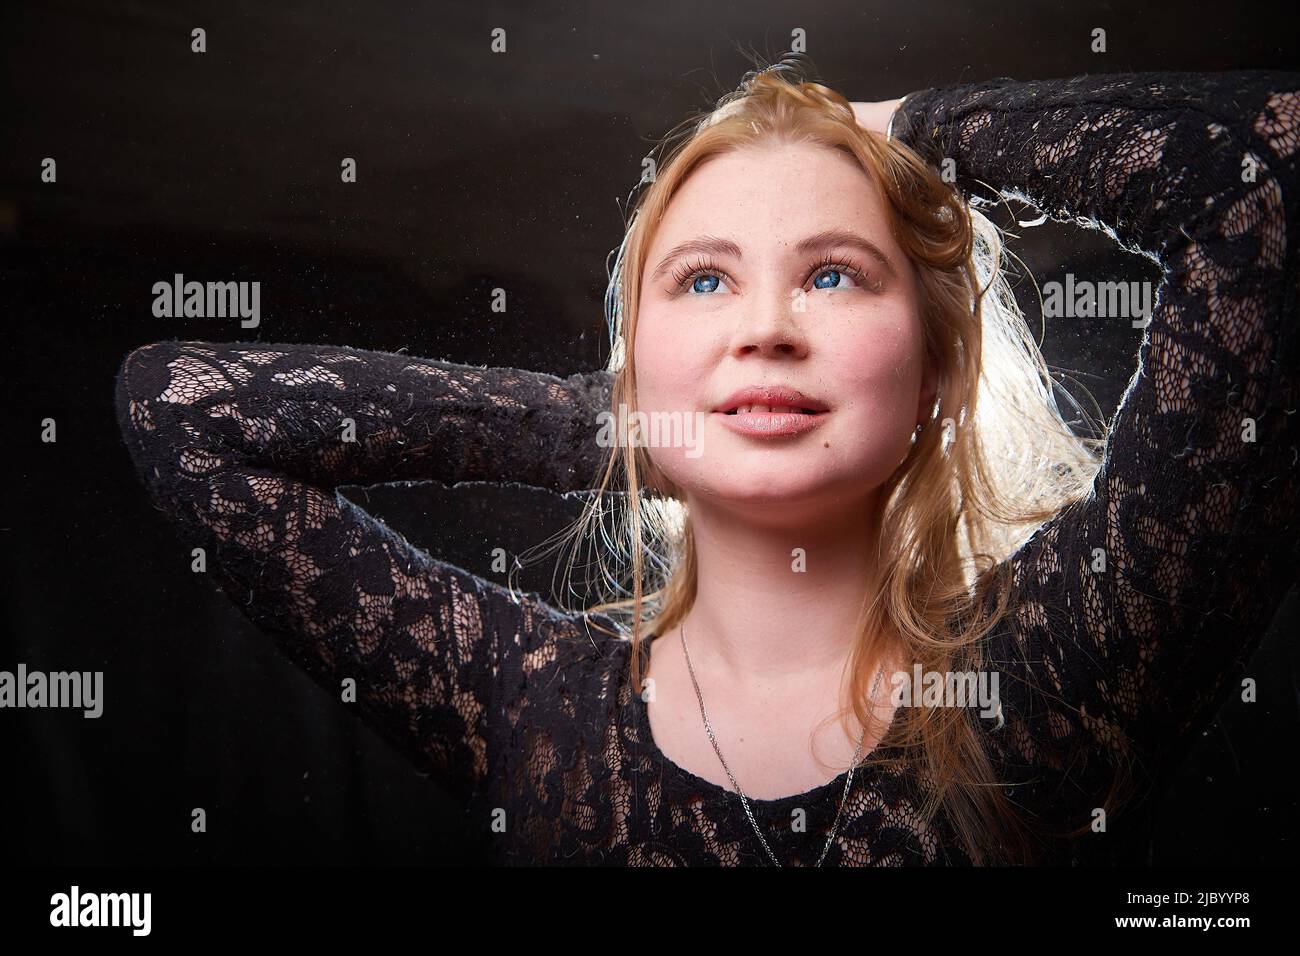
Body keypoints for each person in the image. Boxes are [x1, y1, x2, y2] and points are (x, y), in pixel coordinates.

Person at [114, 59, 1300, 866]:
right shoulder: (524, 696)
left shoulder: (1067, 655)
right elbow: (183, 413)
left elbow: (1269, 182)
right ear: (634, 360)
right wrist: (625, 423)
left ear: (938, 372)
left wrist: (890, 128)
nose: (766, 324)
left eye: (833, 272)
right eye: (704, 279)